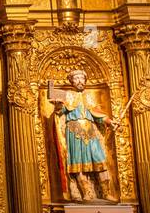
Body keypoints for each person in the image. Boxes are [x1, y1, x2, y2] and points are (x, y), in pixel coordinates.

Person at [41, 69, 121, 201]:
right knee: (78, 163)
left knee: (99, 159)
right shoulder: (68, 96)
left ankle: (106, 192)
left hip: (90, 131)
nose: (79, 81)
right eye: (76, 78)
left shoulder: (88, 96)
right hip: (74, 131)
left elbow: (98, 114)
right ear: (72, 81)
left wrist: (110, 121)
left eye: (82, 78)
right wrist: (58, 105)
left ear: (85, 81)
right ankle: (87, 192)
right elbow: (60, 111)